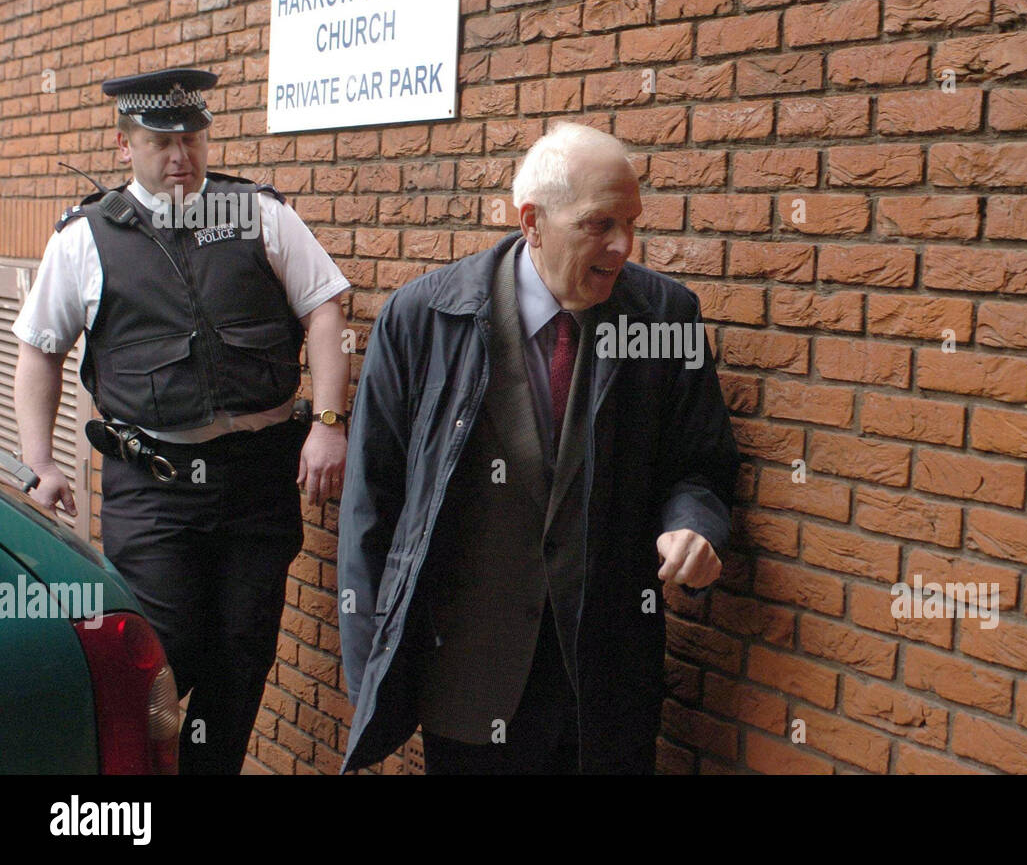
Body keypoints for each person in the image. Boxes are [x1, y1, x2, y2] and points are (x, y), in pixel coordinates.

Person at [338, 122, 739, 774]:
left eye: (632, 223)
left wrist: (693, 523)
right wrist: (375, 674)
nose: (623, 245)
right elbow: (371, 508)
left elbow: (700, 463)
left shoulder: (666, 319)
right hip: (467, 690)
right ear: (533, 222)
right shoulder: (420, 320)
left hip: (605, 691)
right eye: (599, 224)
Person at [13, 67, 352, 775]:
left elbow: (324, 306)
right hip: (154, 486)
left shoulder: (258, 213)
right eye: (161, 141)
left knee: (244, 649)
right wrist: (40, 461)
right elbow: (40, 349)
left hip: (259, 478)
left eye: (193, 139)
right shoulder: (86, 237)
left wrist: (327, 419)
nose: (180, 156)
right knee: (162, 652)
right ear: (125, 143)